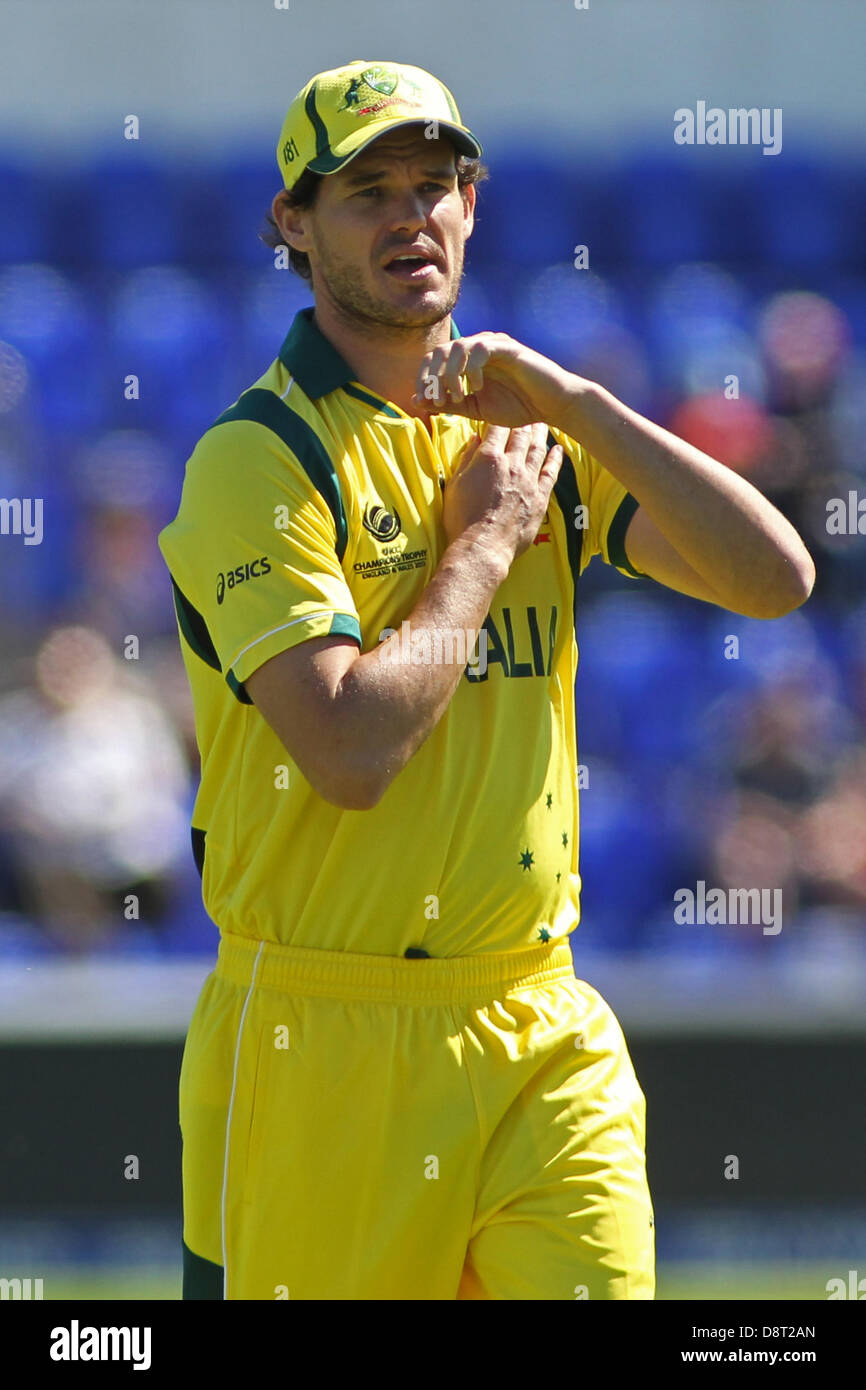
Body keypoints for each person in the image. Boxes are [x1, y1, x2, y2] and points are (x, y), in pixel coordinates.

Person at [157, 59, 815, 1300]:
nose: (412, 215)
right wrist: (480, 546)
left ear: (474, 202)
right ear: (293, 225)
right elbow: (349, 753)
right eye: (367, 193)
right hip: (323, 1035)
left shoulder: (526, 430)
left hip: (536, 1020)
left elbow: (771, 578)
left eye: (435, 183)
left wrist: (575, 400)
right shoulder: (259, 456)